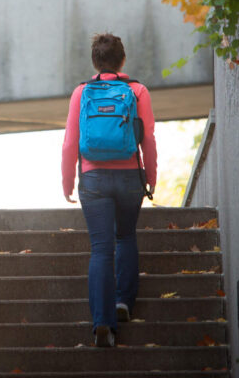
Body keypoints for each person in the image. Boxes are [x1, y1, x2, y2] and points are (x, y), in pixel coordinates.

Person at [61, 32, 157, 348]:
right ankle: (123, 301)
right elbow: (148, 138)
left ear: (95, 62)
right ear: (122, 60)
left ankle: (103, 322)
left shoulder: (81, 92)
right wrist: (151, 176)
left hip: (93, 179)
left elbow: (70, 143)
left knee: (101, 249)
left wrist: (67, 181)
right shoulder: (137, 91)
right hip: (130, 177)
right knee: (125, 236)